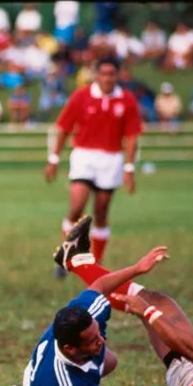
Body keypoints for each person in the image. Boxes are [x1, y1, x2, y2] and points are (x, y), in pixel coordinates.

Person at [54, 217, 193, 386]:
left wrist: (148, 313)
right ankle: (77, 260)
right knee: (156, 303)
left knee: (153, 302)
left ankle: (76, 261)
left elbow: (192, 350)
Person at [9, 219, 171, 386]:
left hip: (37, 372)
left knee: (110, 360)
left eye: (98, 333)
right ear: (70, 348)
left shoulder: (85, 316)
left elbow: (100, 285)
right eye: (93, 340)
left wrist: (137, 269)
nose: (101, 340)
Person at [44, 57, 142, 275]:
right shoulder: (82, 96)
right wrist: (53, 159)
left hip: (111, 159)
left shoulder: (126, 100)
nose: (107, 78)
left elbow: (132, 136)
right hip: (84, 156)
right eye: (103, 73)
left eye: (111, 73)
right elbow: (64, 128)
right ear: (96, 74)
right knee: (77, 205)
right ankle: (67, 255)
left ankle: (95, 264)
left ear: (118, 75)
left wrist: (129, 168)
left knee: (101, 212)